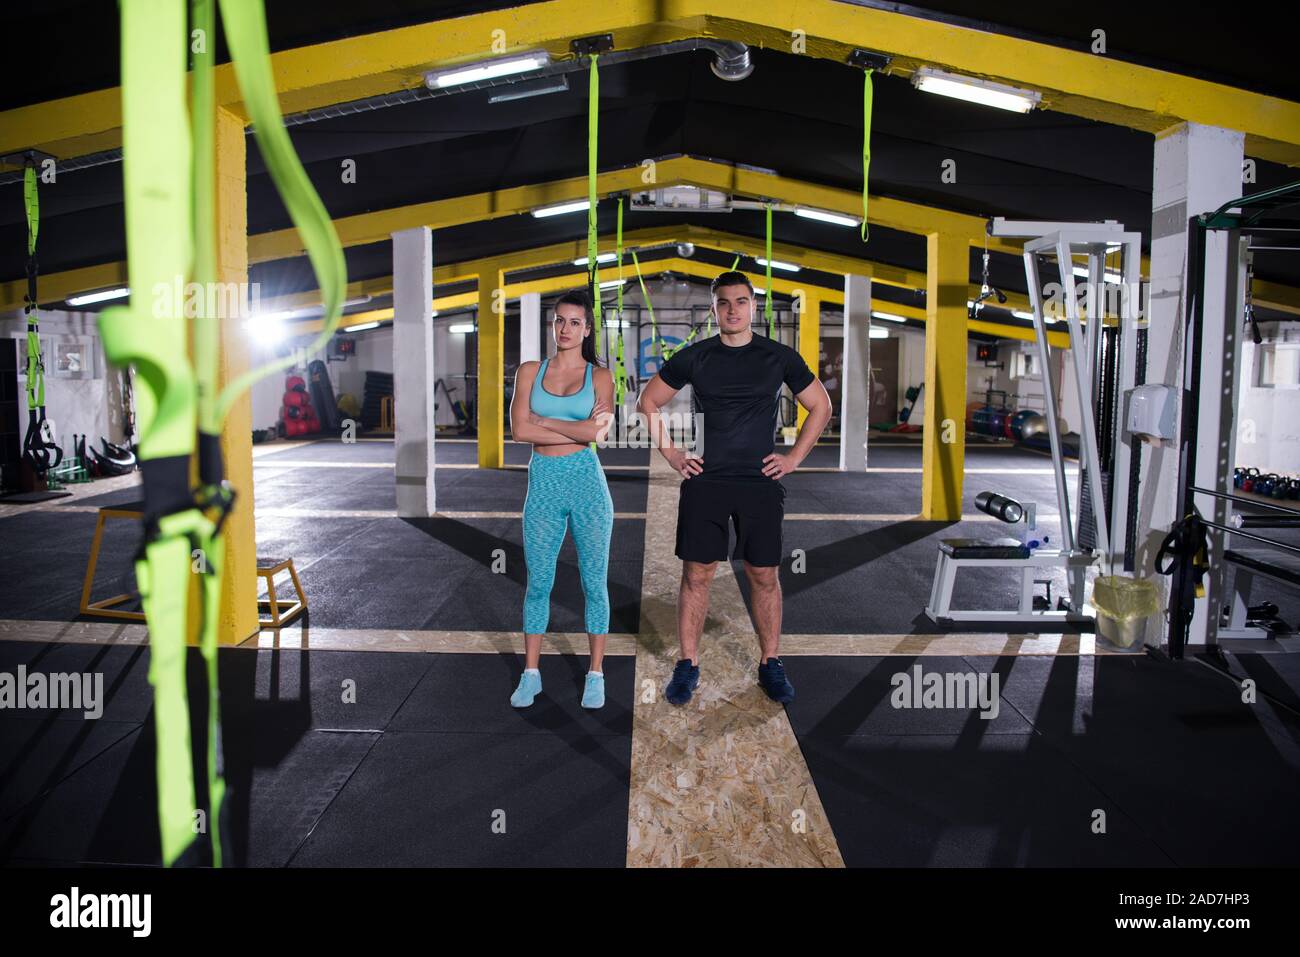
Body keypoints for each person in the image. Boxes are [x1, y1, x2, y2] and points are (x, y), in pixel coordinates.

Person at [636, 271, 832, 706]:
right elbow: (647, 402)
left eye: (741, 301)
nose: (732, 309)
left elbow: (821, 405)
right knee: (696, 574)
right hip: (705, 481)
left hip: (761, 483)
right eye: (724, 302)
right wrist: (671, 453)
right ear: (714, 309)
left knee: (764, 574)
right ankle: (687, 665)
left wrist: (794, 457)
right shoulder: (695, 357)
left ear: (753, 306)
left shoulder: (778, 357)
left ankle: (770, 662)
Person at [507, 290, 615, 709]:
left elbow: (597, 435)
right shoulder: (530, 371)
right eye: (559, 321)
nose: (565, 329)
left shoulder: (600, 377)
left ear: (587, 329)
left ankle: (595, 674)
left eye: (574, 322)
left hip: (588, 485)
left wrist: (544, 420)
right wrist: (574, 428)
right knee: (539, 582)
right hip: (545, 483)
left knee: (594, 583)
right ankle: (530, 674)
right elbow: (520, 432)